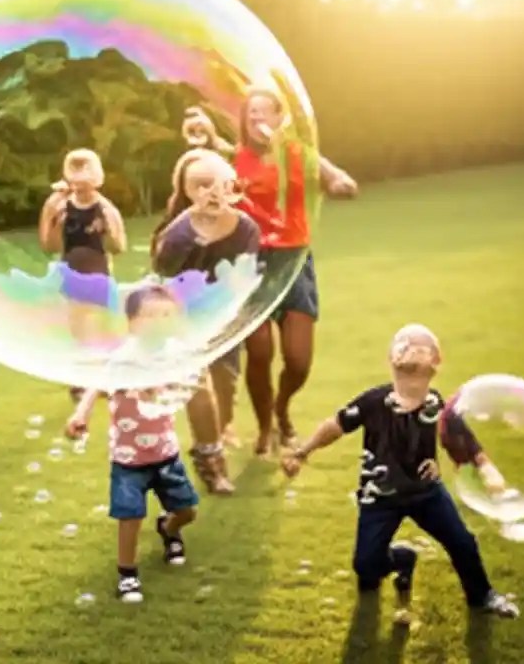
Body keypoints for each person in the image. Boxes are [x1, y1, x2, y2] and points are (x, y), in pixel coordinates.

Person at [280, 324, 520, 622]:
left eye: (424, 348)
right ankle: (403, 559)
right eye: (407, 345)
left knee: (462, 542)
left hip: (426, 492)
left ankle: (482, 595)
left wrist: (487, 468)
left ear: (436, 364)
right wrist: (303, 452)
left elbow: (461, 439)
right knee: (366, 567)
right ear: (392, 360)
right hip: (380, 497)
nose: (416, 348)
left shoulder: (436, 403)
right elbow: (336, 425)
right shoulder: (374, 401)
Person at [230, 90, 357, 453]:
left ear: (278, 116)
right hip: (251, 264)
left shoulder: (297, 154)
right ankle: (266, 426)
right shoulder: (234, 161)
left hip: (295, 260)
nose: (256, 119)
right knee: (259, 354)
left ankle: (282, 408)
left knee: (299, 362)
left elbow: (336, 177)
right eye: (250, 113)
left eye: (263, 111)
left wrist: (339, 184)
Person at [65, 285, 199, 604]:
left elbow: (188, 383)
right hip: (128, 458)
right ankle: (127, 574)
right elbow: (97, 385)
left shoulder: (177, 353)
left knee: (188, 511)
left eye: (166, 314)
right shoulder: (124, 357)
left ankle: (168, 527)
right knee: (130, 517)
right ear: (133, 323)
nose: (159, 320)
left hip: (165, 452)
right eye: (150, 315)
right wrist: (81, 413)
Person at [149, 148, 261, 494]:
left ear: (231, 185)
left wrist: (235, 314)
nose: (210, 191)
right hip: (180, 316)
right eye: (200, 185)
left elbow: (247, 275)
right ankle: (213, 467)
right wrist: (188, 227)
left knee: (224, 389)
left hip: (224, 315)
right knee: (198, 387)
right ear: (186, 191)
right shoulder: (177, 228)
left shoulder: (245, 227)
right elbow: (163, 269)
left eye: (218, 183)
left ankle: (211, 442)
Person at [38, 149, 126, 400]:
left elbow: (119, 247)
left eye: (87, 167)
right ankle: (81, 382)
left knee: (104, 329)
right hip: (71, 273)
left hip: (100, 272)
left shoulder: (105, 207)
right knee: (78, 331)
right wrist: (56, 222)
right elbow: (49, 247)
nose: (81, 175)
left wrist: (108, 229)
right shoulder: (57, 204)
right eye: (75, 168)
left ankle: (106, 381)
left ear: (98, 175)